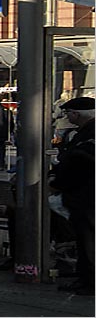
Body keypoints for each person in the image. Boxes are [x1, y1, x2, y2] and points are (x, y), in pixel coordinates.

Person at [50, 96, 94, 295]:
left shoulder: (89, 134)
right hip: (84, 194)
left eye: (68, 113)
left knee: (88, 239)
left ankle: (89, 281)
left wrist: (58, 183)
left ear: (76, 114)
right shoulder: (84, 132)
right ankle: (84, 277)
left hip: (85, 195)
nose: (67, 116)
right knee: (85, 238)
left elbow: (78, 164)